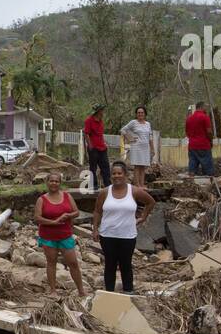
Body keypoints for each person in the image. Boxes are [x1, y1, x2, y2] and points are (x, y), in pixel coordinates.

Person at [91, 161, 155, 293]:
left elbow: (150, 202)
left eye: (119, 173)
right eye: (114, 173)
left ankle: (128, 292)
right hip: (107, 235)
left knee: (126, 265)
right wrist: (95, 229)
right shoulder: (104, 192)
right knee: (110, 265)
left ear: (125, 175)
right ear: (110, 176)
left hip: (127, 236)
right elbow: (97, 211)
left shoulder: (134, 191)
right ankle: (109, 293)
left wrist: (143, 217)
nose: (116, 176)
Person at [33, 172, 86, 297]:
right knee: (51, 262)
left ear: (60, 183)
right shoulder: (42, 199)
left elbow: (76, 212)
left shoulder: (67, 196)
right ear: (47, 182)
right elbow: (37, 218)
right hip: (48, 236)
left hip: (65, 235)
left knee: (73, 262)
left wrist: (68, 215)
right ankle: (53, 290)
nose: (54, 183)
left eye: (56, 181)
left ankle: (81, 291)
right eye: (51, 181)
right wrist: (53, 222)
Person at [120, 106, 154, 187]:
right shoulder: (133, 122)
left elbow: (150, 137)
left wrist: (152, 148)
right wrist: (129, 138)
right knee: (137, 166)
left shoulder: (148, 124)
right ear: (136, 114)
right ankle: (137, 185)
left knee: (143, 166)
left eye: (142, 112)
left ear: (145, 114)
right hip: (136, 147)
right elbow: (122, 130)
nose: (140, 114)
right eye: (138, 112)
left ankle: (142, 184)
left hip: (145, 148)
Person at [83, 104, 111, 189]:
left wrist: (105, 143)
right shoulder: (89, 120)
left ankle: (108, 184)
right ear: (98, 111)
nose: (103, 112)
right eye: (102, 110)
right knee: (93, 167)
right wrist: (90, 145)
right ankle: (93, 184)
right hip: (93, 147)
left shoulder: (101, 121)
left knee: (105, 166)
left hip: (102, 147)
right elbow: (86, 133)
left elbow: (100, 134)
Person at [184, 101, 214, 177]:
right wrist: (211, 140)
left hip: (192, 146)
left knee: (192, 167)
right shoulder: (205, 117)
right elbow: (209, 132)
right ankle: (210, 184)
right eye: (205, 107)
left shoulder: (189, 119)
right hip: (204, 145)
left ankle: (190, 184)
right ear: (201, 107)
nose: (206, 108)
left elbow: (187, 133)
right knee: (208, 168)